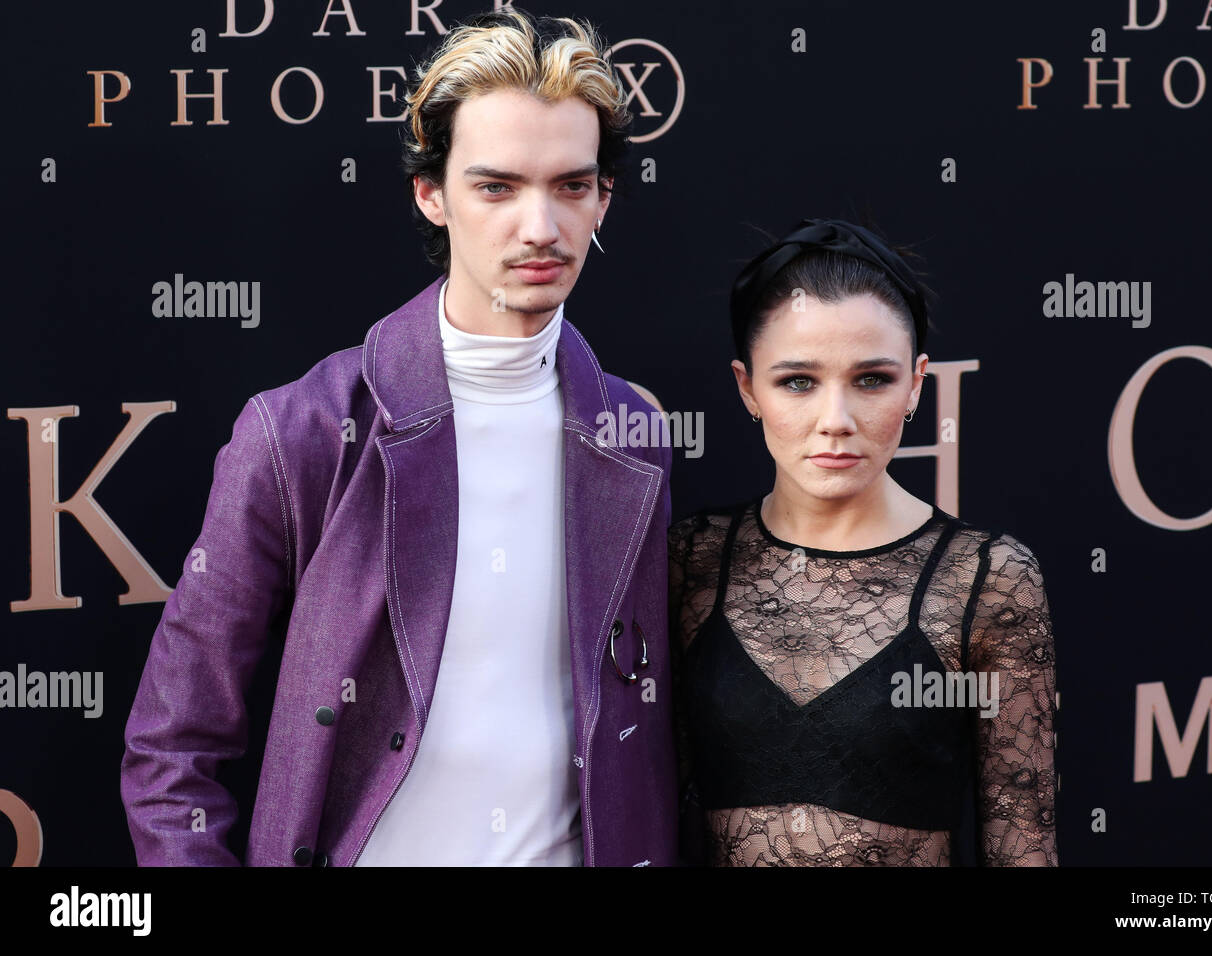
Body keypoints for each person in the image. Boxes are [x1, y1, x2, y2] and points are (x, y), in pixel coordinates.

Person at [121, 8, 677, 867]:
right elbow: (173, 748)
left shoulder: (630, 437)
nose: (541, 226)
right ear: (431, 193)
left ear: (603, 196)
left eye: (572, 185)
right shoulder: (302, 432)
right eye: (497, 186)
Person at [668, 218, 1058, 866]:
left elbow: (1024, 848)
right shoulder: (693, 560)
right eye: (798, 381)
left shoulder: (987, 580)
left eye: (871, 379)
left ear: (915, 383)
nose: (836, 421)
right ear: (747, 388)